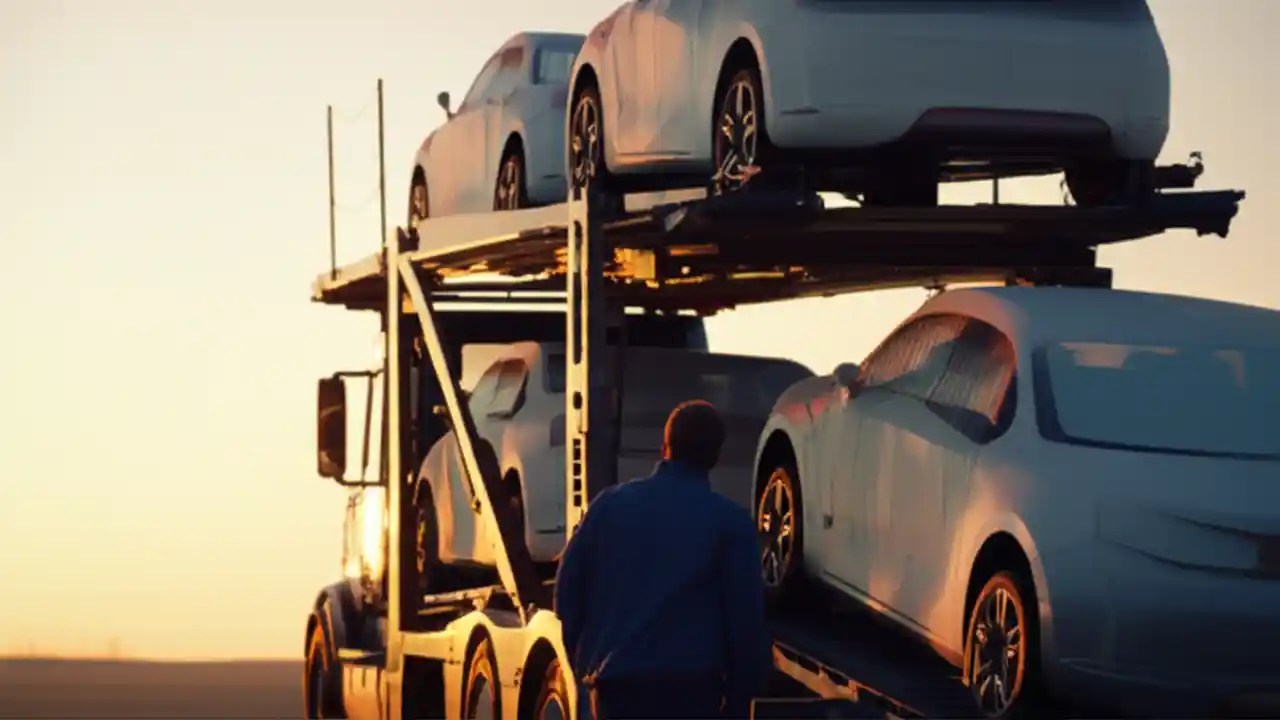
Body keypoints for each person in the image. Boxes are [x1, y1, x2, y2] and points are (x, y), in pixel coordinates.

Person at [554, 400, 772, 719]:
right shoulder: (730, 523)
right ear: (715, 456)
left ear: (663, 447)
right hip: (690, 694)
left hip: (616, 689)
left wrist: (587, 666)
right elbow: (745, 622)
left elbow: (567, 595)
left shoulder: (608, 506)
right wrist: (739, 701)